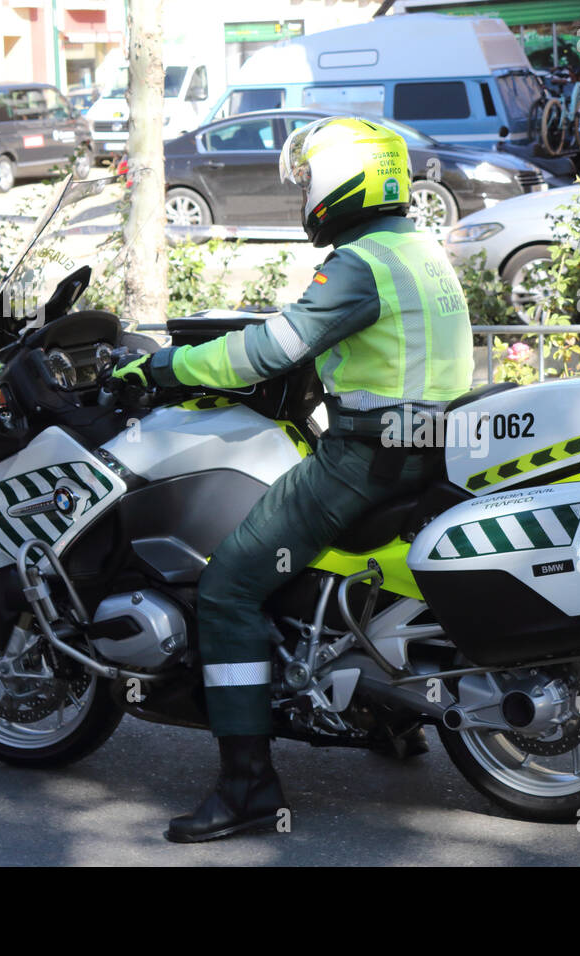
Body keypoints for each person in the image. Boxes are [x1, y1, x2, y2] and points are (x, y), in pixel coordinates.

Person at [112, 116, 474, 843]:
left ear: (345, 179)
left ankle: (247, 784)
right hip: (433, 445)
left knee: (230, 585)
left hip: (367, 457)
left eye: (310, 178)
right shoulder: (418, 249)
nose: (305, 191)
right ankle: (390, 724)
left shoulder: (357, 263)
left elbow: (266, 352)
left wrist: (162, 366)